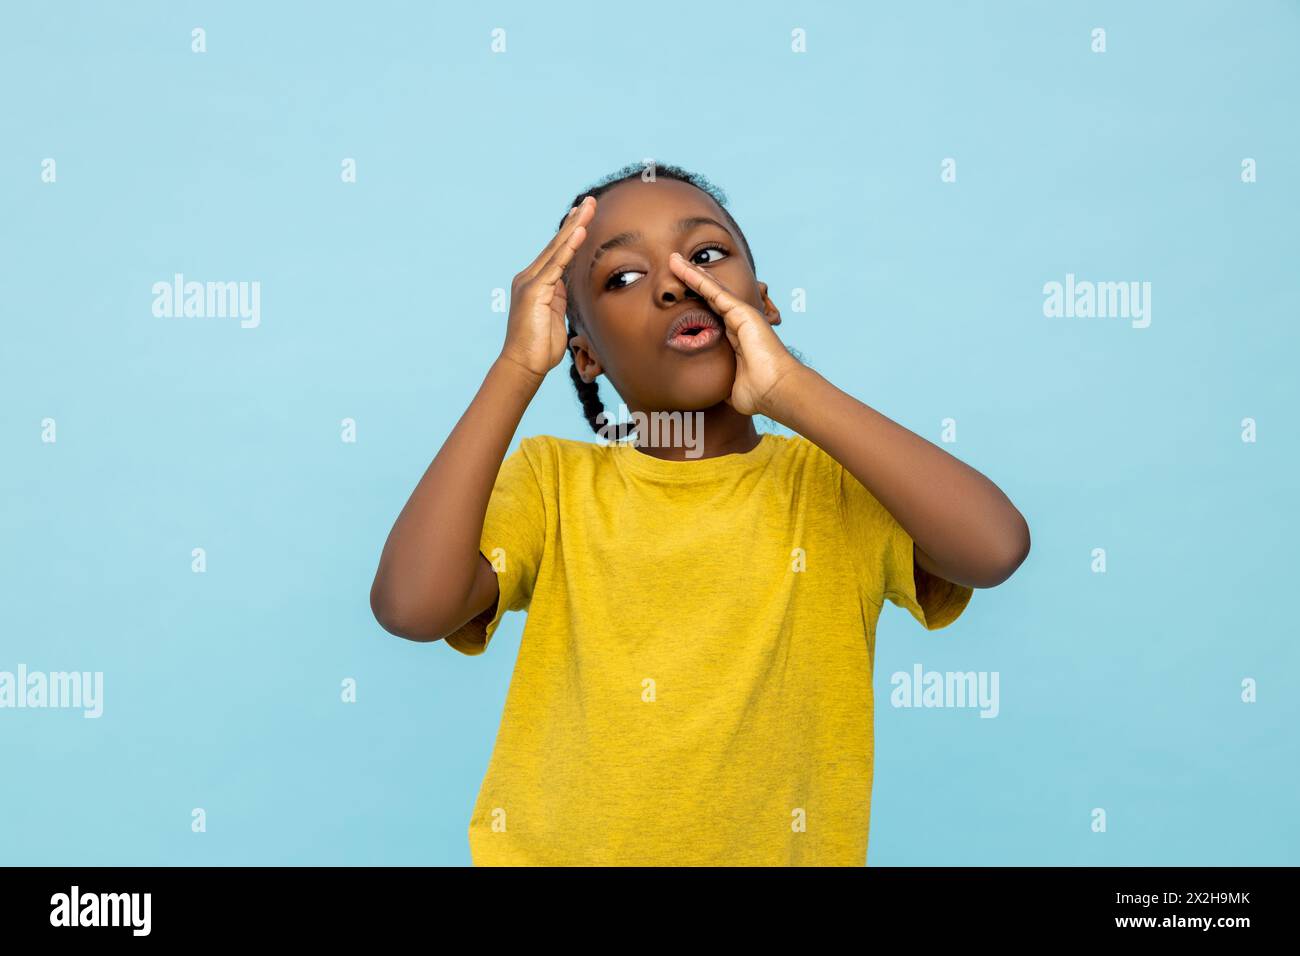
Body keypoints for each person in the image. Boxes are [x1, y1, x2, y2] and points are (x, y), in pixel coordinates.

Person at [370, 162, 1031, 866]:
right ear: (583, 352)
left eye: (706, 254)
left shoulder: (835, 488)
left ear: (764, 302)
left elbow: (994, 548)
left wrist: (789, 387)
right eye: (622, 277)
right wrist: (515, 368)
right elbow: (413, 607)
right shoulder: (552, 483)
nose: (674, 281)